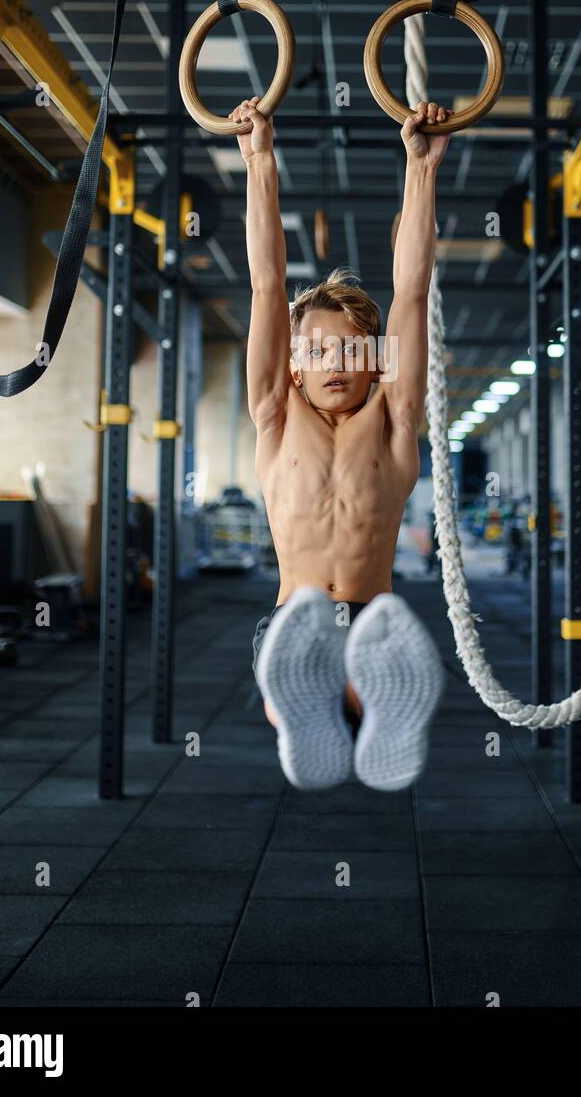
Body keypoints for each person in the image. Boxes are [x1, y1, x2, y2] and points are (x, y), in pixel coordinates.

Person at [233, 94, 449, 793]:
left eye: (350, 351)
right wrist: (259, 159)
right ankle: (316, 706)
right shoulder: (274, 413)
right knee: (290, 674)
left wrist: (421, 170)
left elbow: (411, 291)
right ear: (294, 364)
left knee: (355, 663)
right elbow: (268, 285)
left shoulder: (393, 422)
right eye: (316, 351)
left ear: (376, 361)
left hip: (369, 623)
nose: (332, 363)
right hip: (295, 622)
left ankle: (366, 703)